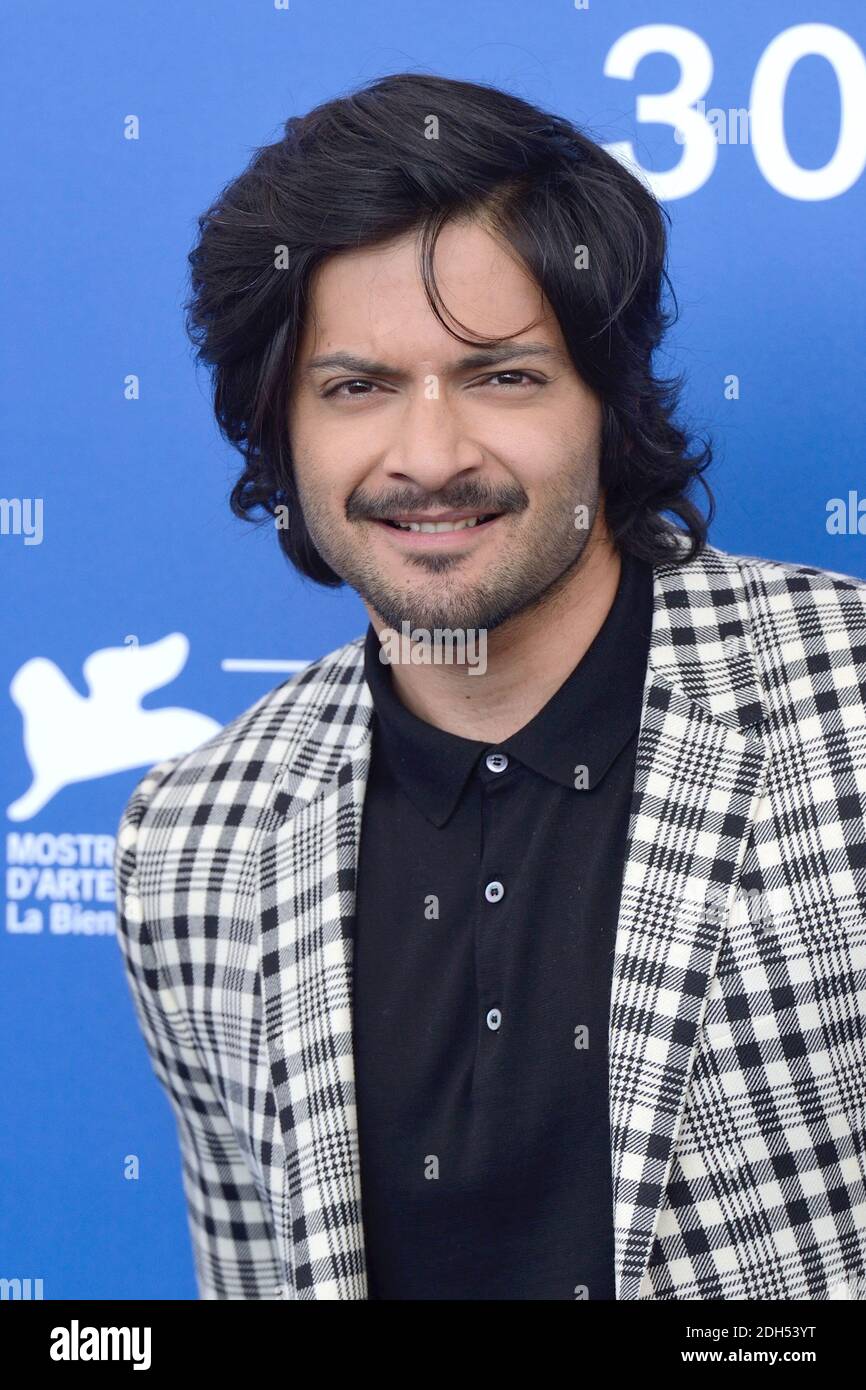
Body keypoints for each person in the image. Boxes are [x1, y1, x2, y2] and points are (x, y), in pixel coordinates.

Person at [113, 71, 866, 1301]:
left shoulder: (842, 708)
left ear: (600, 403)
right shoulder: (191, 843)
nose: (429, 456)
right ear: (278, 430)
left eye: (501, 376)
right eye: (355, 387)